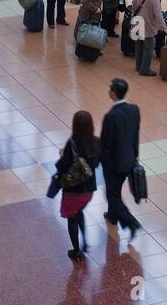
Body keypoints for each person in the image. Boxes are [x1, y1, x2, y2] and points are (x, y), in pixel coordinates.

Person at [99, 78, 141, 238]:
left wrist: (103, 161)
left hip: (114, 164)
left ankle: (131, 222)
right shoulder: (134, 109)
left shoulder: (111, 116)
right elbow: (135, 135)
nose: (108, 90)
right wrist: (135, 155)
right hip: (129, 160)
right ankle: (112, 216)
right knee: (114, 190)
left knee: (112, 195)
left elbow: (105, 144)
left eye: (110, 88)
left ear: (114, 93)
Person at [56, 111, 99, 259]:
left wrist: (62, 155)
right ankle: (85, 242)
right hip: (89, 190)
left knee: (72, 219)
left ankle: (76, 251)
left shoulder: (72, 143)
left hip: (74, 190)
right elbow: (96, 164)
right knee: (79, 212)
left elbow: (63, 166)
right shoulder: (96, 142)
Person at [130, 0, 167, 77]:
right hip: (147, 25)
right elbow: (158, 15)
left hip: (136, 22)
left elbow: (133, 7)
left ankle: (138, 66)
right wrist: (164, 28)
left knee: (138, 46)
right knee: (148, 47)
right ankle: (145, 69)